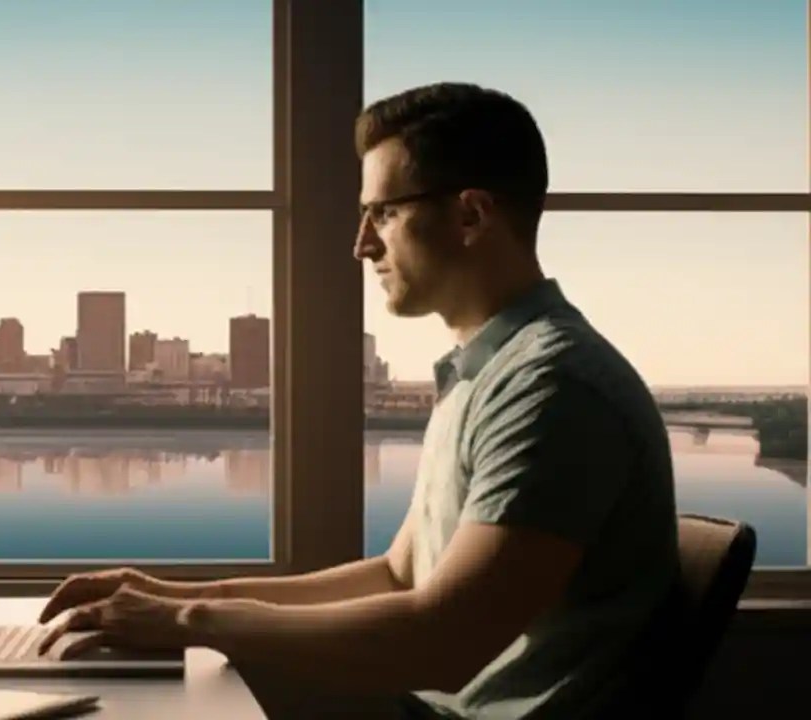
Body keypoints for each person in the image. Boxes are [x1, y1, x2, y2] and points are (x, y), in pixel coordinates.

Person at [35, 82, 679, 719]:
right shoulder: (487, 373)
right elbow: (400, 575)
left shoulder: (552, 388)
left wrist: (190, 619)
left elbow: (447, 640)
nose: (362, 243)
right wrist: (175, 597)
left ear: (470, 215)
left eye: (385, 213)